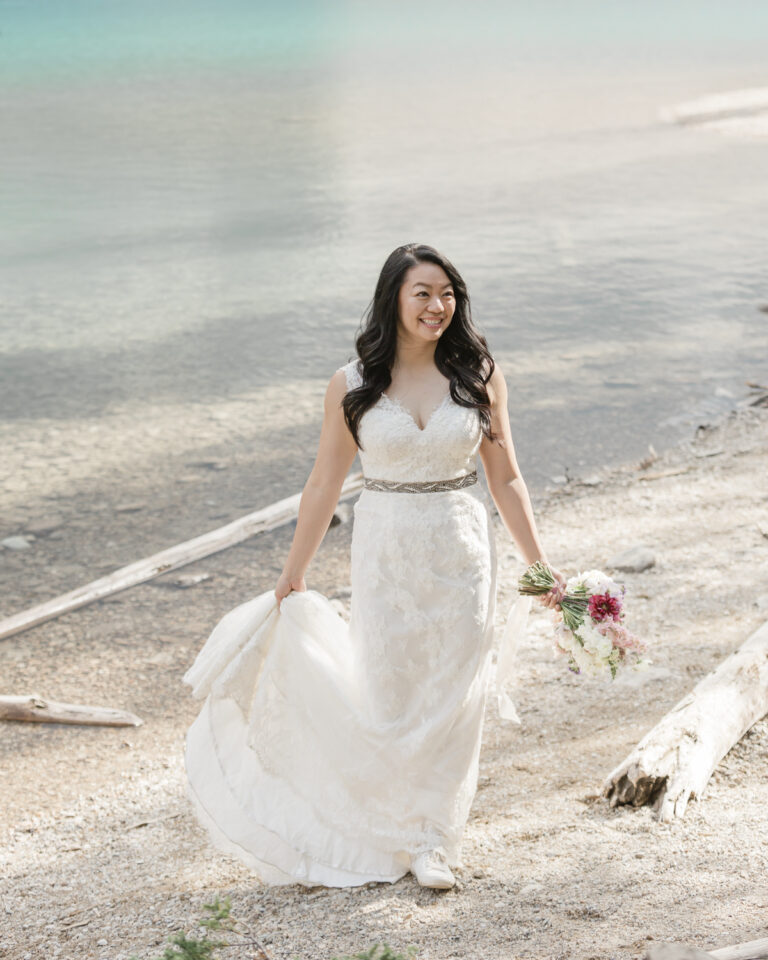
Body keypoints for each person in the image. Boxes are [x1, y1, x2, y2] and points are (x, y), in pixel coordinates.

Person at [183, 242, 565, 891]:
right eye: (423, 293)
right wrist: (293, 572)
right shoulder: (352, 384)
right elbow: (323, 483)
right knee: (388, 693)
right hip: (386, 555)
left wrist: (540, 567)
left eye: (447, 294)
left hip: (462, 554)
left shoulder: (479, 375)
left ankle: (432, 837)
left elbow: (506, 479)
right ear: (394, 299)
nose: (438, 306)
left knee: (451, 697)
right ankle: (389, 825)